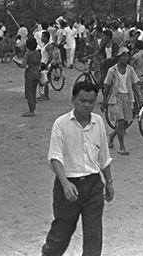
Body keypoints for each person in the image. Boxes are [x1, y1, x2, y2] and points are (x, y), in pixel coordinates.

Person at [41, 80, 114, 256]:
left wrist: (109, 182)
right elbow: (55, 158)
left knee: (94, 236)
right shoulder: (61, 124)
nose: (87, 105)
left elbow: (104, 156)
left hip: (94, 185)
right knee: (61, 234)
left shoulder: (98, 122)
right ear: (73, 100)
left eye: (91, 101)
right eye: (83, 101)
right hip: (68, 185)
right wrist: (65, 184)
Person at [103, 47, 140, 156]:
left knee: (125, 122)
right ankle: (122, 146)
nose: (125, 58)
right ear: (119, 57)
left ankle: (112, 136)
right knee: (120, 121)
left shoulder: (130, 70)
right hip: (116, 98)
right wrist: (105, 101)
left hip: (128, 97)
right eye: (123, 56)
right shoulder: (112, 70)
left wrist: (139, 98)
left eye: (127, 56)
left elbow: (134, 84)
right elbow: (107, 86)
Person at [15, 37, 41, 117]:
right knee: (33, 92)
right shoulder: (37, 52)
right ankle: (33, 107)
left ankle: (31, 110)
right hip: (37, 74)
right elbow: (39, 63)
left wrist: (16, 62)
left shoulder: (28, 53)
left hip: (30, 74)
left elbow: (23, 65)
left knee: (29, 93)